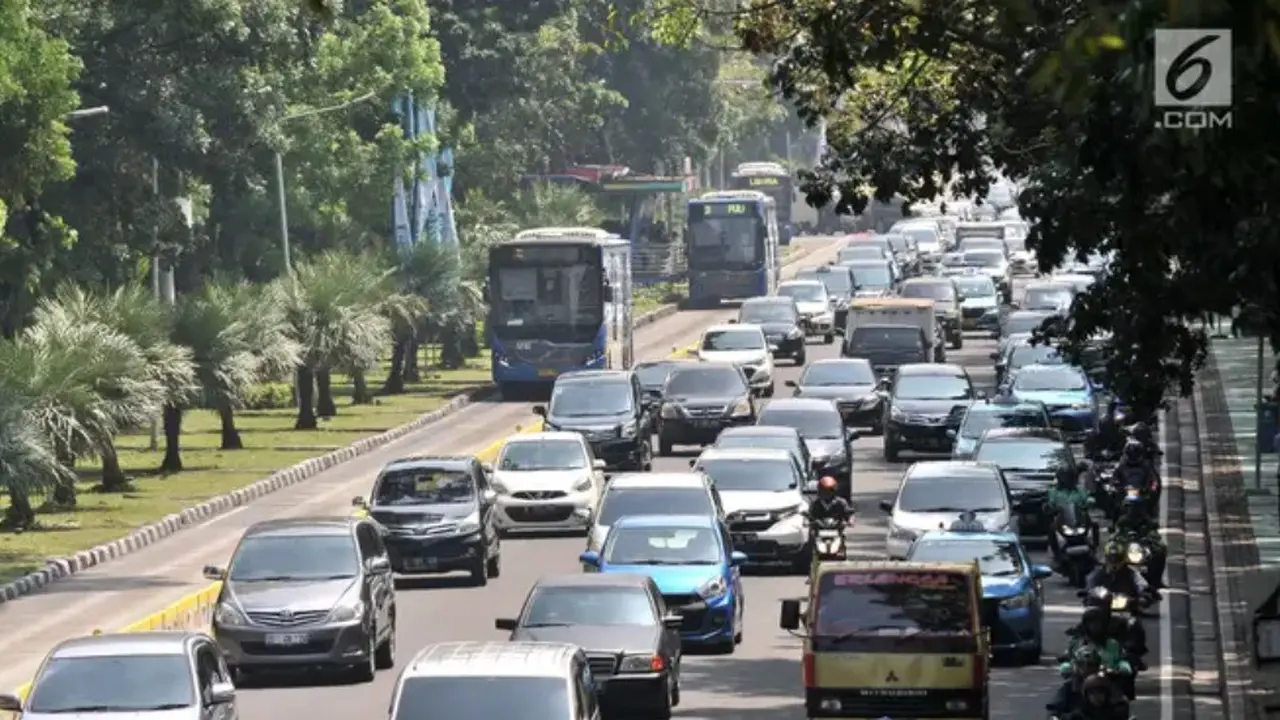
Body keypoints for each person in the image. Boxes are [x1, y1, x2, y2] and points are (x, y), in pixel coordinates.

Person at [1112, 495, 1167, 588]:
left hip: (1141, 545)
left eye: (1134, 507)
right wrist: (1116, 540)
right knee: (1112, 551)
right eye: (1129, 507)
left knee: (1161, 549)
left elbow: (1153, 533)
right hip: (1126, 545)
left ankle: (1157, 580)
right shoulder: (1122, 521)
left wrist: (1150, 538)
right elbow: (1116, 533)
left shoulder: (1146, 520)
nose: (1132, 510)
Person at [1086, 543, 1151, 598]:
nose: (1114, 561)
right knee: (1090, 612)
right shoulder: (1099, 572)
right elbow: (1091, 583)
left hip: (1129, 604)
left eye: (1117, 558)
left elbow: (1140, 583)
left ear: (1123, 558)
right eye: (1111, 558)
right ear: (1106, 558)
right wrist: (1100, 592)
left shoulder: (1131, 572)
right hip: (1103, 605)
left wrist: (1145, 592)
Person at [1062, 673, 1132, 720]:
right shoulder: (1079, 715)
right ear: (1086, 696)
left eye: (1100, 692)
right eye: (1092, 693)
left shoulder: (1115, 713)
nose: (1096, 696)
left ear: (1107, 694)